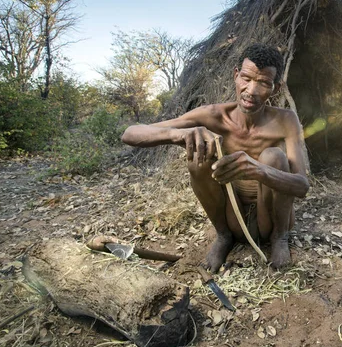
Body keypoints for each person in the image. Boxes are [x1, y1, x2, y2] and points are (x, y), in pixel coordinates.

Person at [121, 44, 310, 272]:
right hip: (233, 215)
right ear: (235, 75)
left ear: (275, 88)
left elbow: (302, 186)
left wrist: (258, 170)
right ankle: (223, 236)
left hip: (270, 217)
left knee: (273, 156)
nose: (251, 90)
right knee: (198, 158)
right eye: (246, 78)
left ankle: (280, 239)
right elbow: (130, 133)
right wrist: (180, 134)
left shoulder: (286, 120)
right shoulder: (212, 115)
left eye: (263, 83)